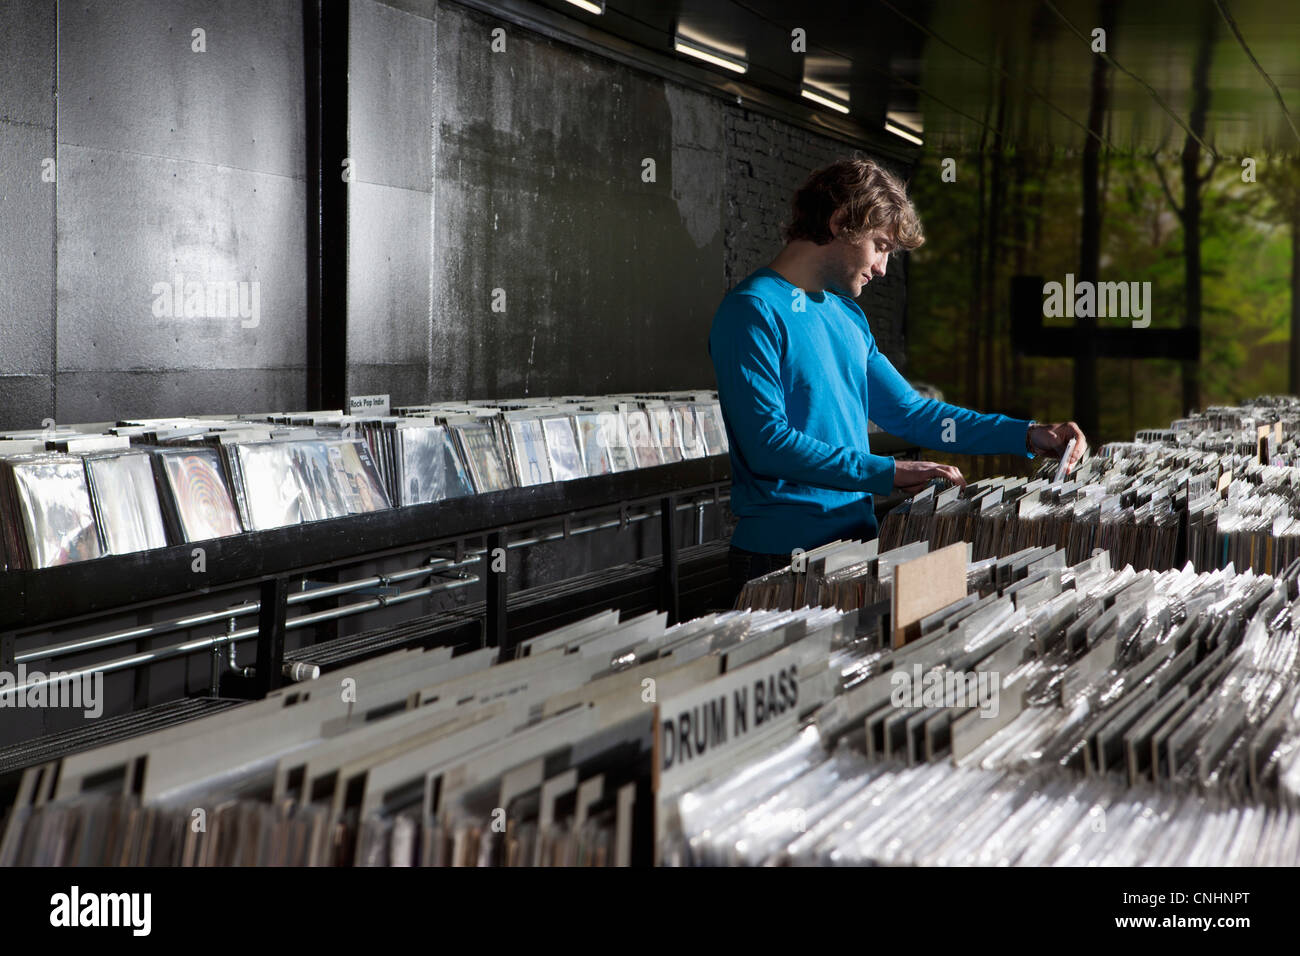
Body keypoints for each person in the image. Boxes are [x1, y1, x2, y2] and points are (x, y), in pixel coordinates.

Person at [709, 157, 1087, 601]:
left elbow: (911, 413)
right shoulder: (751, 311)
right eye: (880, 245)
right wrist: (887, 472)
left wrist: (1026, 434)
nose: (883, 268)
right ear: (839, 224)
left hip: (857, 546)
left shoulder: (846, 314)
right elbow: (767, 445)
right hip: (780, 559)